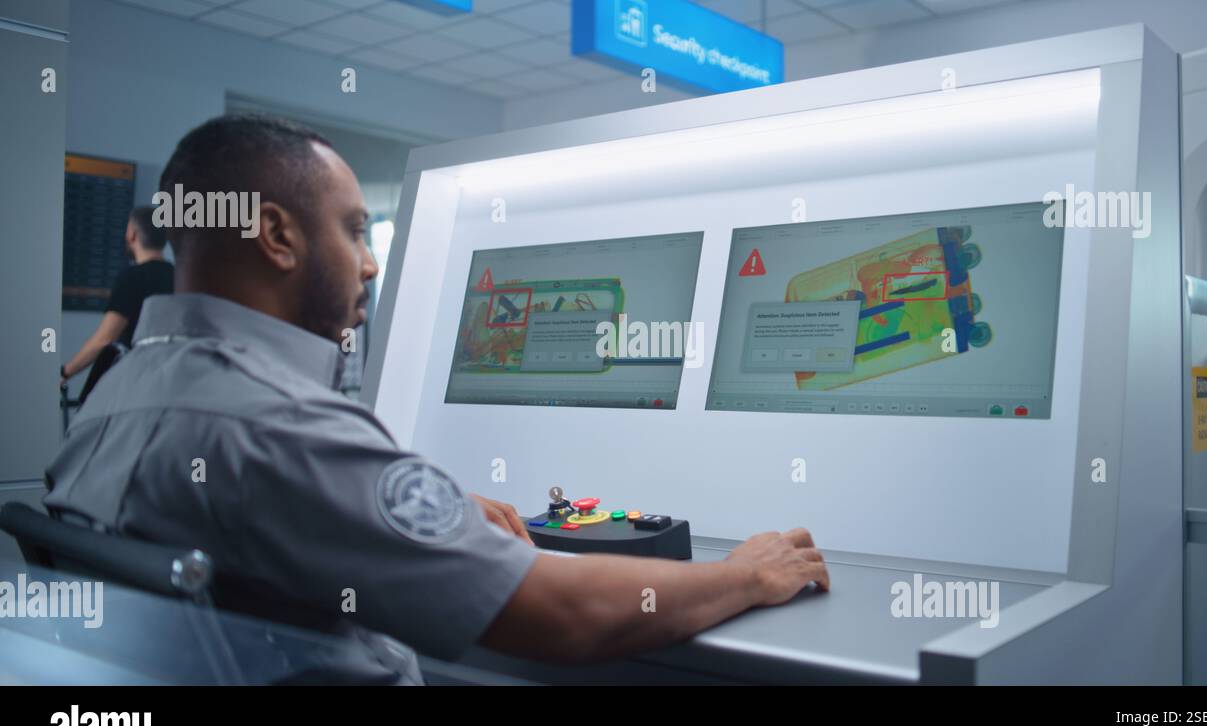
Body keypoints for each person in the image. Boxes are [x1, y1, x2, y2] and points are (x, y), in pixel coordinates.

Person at [43, 114, 828, 680]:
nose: (370, 264)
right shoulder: (283, 426)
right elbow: (562, 613)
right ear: (279, 238)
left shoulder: (118, 391)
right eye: (354, 231)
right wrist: (748, 574)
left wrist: (420, 514)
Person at [60, 207, 173, 399]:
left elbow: (105, 338)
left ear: (132, 234)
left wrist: (66, 372)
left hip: (132, 384)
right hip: (165, 382)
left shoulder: (132, 277)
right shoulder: (177, 276)